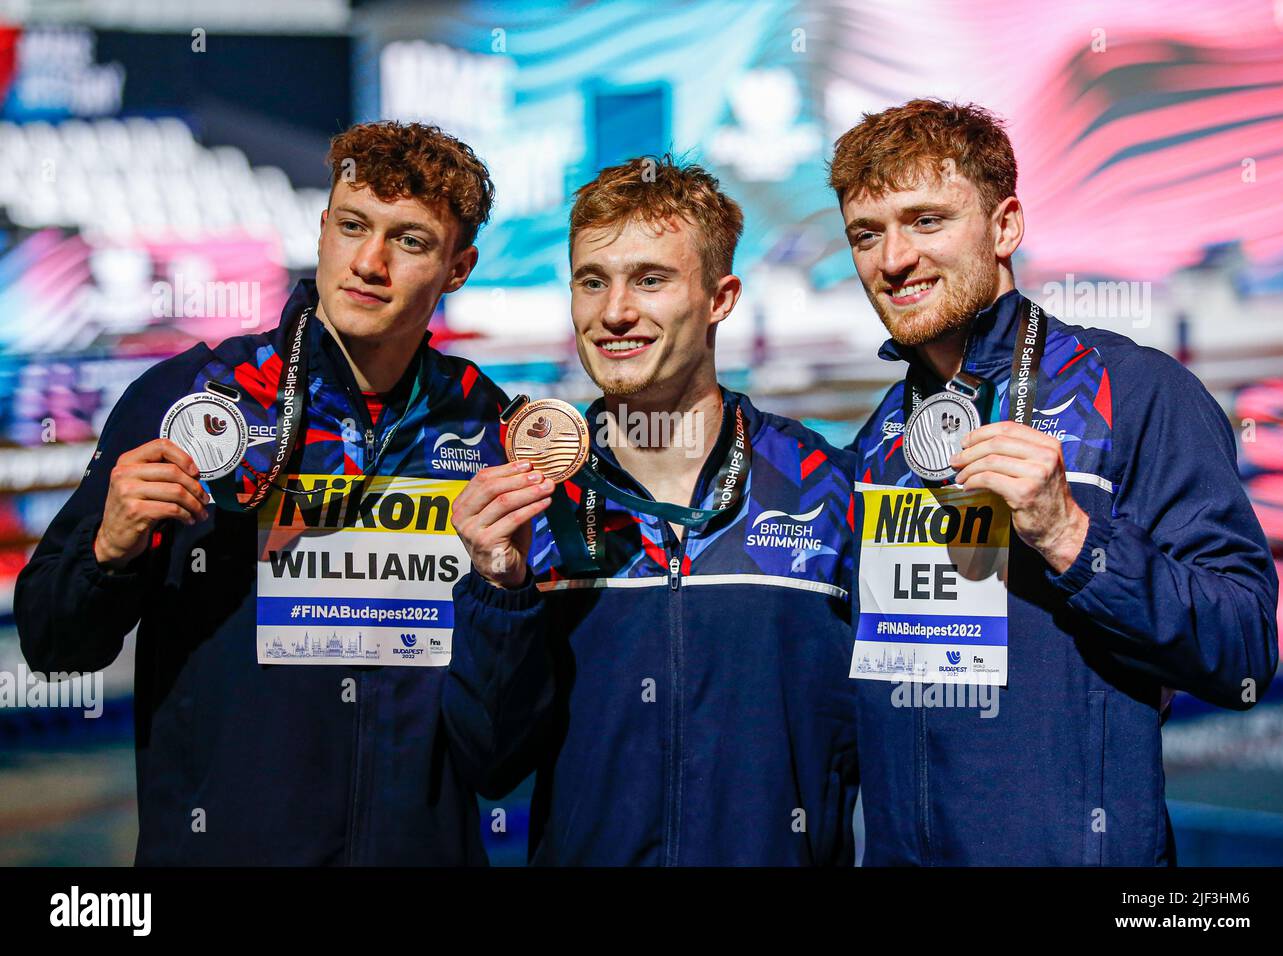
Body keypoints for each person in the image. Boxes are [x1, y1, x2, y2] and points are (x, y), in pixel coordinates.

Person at [15, 121, 511, 865]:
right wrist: (107, 549)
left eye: (408, 240)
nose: (369, 263)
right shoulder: (193, 399)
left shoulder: (486, 429)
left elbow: (510, 732)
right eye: (352, 227)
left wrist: (511, 596)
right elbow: (53, 645)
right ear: (322, 230)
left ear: (458, 267)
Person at [829, 98, 1279, 865]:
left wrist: (1071, 534)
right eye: (867, 234)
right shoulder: (874, 446)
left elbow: (1242, 651)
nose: (893, 259)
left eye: (927, 221)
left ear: (1005, 226)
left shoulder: (1136, 392)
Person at [443, 156, 859, 865]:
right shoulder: (528, 501)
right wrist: (500, 592)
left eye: (651, 279)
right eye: (592, 281)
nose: (614, 313)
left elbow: (884, 747)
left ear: (721, 297)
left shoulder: (823, 489)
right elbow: (489, 762)